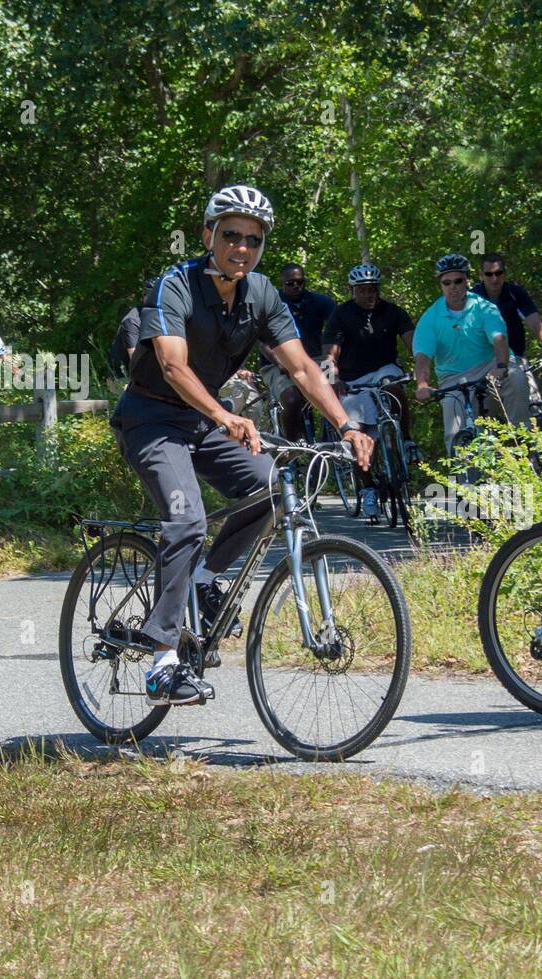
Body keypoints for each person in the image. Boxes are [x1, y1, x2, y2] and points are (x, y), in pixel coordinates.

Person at [112, 184, 372, 705]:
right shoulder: (175, 285)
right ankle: (162, 661)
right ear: (209, 234)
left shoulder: (262, 295)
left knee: (275, 489)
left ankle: (205, 579)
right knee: (185, 520)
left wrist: (346, 424)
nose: (241, 247)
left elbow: (300, 366)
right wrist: (224, 415)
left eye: (253, 240)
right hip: (152, 420)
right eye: (230, 235)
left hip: (207, 421)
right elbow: (171, 366)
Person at [321, 263, 416, 521]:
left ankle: (405, 440)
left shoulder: (393, 312)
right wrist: (334, 380)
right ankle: (368, 489)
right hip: (352, 379)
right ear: (353, 291)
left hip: (384, 369)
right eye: (362, 290)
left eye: (373, 290)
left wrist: (421, 367)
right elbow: (328, 355)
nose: (368, 295)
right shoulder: (340, 315)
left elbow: (413, 342)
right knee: (354, 431)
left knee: (393, 385)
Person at [412, 253, 533, 455]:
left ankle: (525, 445)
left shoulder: (484, 307)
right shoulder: (430, 317)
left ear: (467, 281)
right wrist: (422, 385)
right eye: (447, 282)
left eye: (458, 281)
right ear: (441, 285)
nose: (453, 287)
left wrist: (502, 367)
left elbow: (499, 340)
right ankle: (463, 480)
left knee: (516, 376)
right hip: (453, 378)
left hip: (490, 366)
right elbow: (423, 358)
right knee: (455, 432)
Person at [471, 252, 542, 428]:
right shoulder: (472, 298)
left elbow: (535, 323)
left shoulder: (515, 294)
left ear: (504, 274)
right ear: (481, 276)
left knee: (534, 408)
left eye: (499, 273)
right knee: (483, 421)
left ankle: (537, 451)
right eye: (489, 274)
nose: (494, 278)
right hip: (483, 365)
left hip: (515, 360)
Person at [254, 262, 337, 440]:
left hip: (315, 359)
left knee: (334, 386)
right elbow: (264, 343)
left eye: (299, 282)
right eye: (290, 283)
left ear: (305, 281)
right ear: (282, 283)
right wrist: (281, 363)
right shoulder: (271, 304)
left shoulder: (320, 302)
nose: (295, 286)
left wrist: (331, 356)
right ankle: (292, 450)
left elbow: (336, 328)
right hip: (276, 364)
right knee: (292, 399)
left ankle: (330, 436)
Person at [108, 278, 156, 379]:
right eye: (152, 295)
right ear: (144, 296)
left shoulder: (161, 316)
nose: (156, 299)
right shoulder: (132, 321)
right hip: (122, 377)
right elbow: (136, 361)